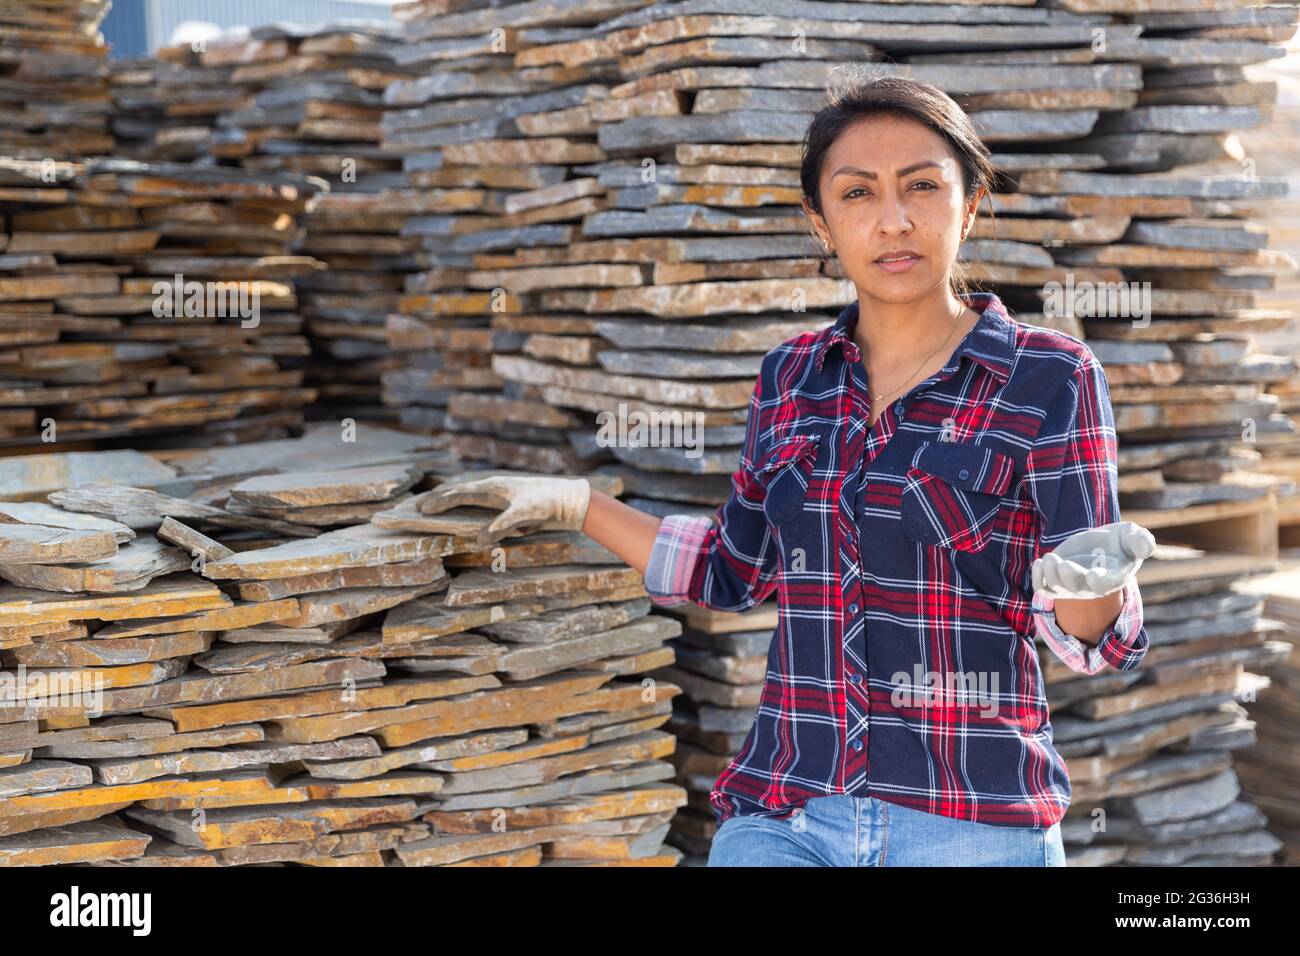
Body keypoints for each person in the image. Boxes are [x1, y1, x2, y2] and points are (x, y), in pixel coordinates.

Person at [421, 75, 1157, 867]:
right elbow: (735, 570)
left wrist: (1094, 580)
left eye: (922, 187)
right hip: (787, 814)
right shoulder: (793, 378)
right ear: (821, 222)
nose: (893, 219)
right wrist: (578, 504)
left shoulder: (1049, 376)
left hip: (971, 822)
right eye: (857, 194)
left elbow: (1091, 640)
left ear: (969, 203)